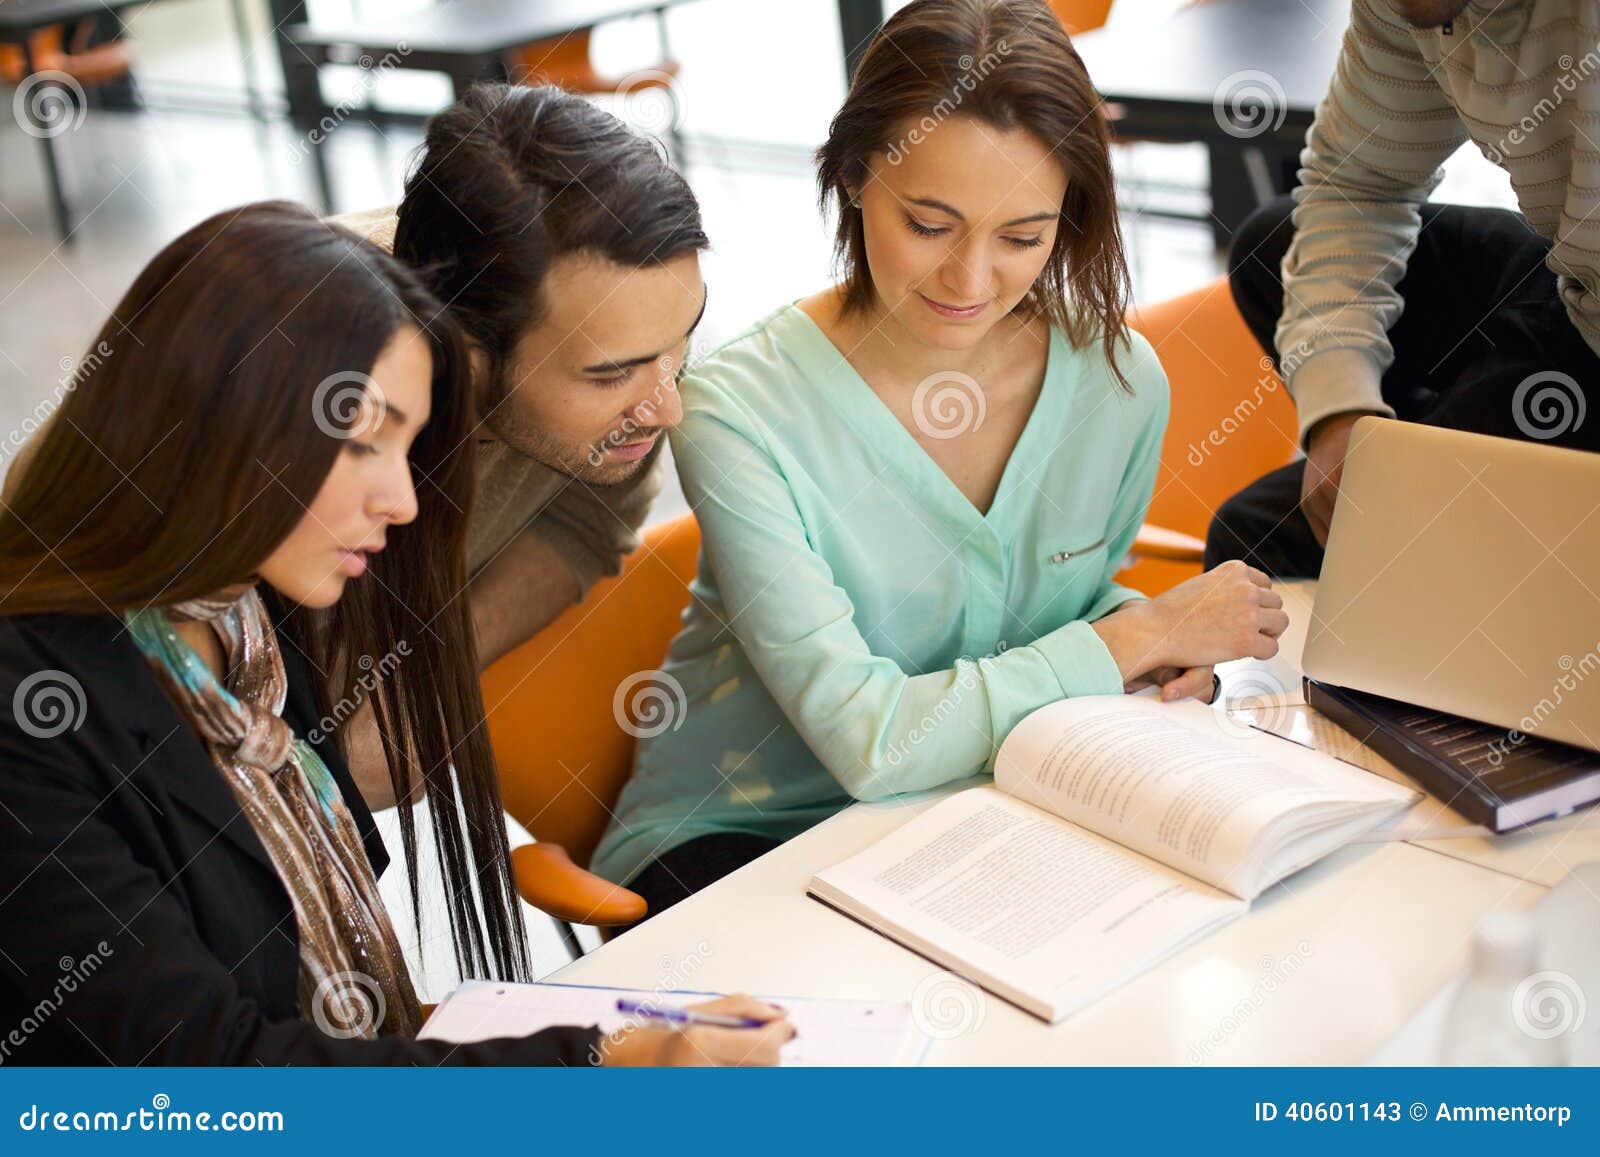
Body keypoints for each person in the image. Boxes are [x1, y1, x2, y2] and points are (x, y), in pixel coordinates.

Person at [0, 202, 791, 1065]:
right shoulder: (31, 721)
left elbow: (315, 1006)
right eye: (359, 441)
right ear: (220, 417)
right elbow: (208, 1081)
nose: (403, 502)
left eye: (406, 448)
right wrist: (596, 1061)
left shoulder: (244, 620)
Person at [589, 0, 1290, 915]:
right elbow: (872, 745)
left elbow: (1057, 611)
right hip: (748, 838)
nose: (969, 282)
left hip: (982, 800)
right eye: (928, 224)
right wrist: (1140, 636)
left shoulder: (1118, 380)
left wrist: (1149, 647)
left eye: (1022, 237)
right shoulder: (736, 409)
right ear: (851, 176)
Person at [328, 83, 709, 808]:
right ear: (466, 356)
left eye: (680, 341)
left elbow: (587, 518)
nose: (668, 405)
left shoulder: (620, 339)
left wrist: (431, 668)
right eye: (611, 375)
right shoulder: (293, 399)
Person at [1206, 0, 1600, 578]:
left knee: (1260, 538)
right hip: (1575, 282)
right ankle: (1419, 443)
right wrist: (1341, 410)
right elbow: (1357, 186)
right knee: (1271, 248)